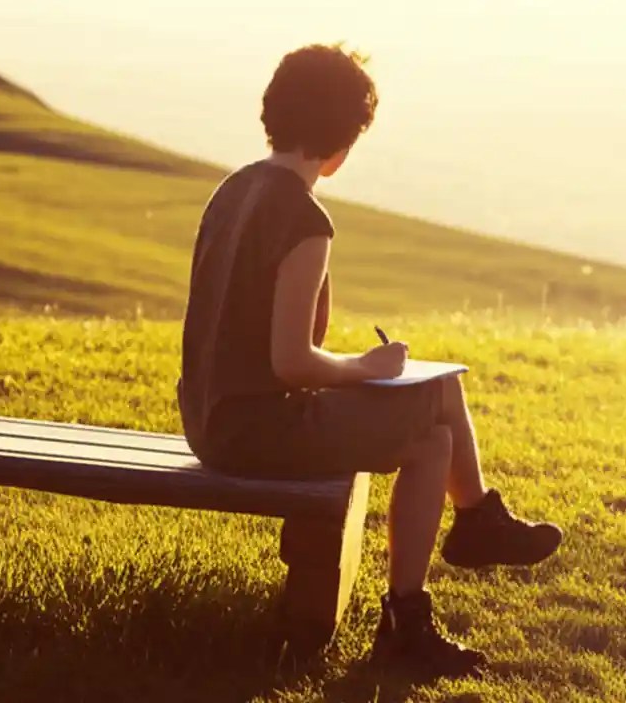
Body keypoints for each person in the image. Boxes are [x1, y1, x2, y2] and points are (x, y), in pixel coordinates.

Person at [176, 44, 562, 678]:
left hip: (206, 416)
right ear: (344, 144)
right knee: (438, 393)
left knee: (434, 442)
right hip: (252, 430)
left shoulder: (233, 189)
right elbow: (291, 362)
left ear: (274, 111)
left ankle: (415, 610)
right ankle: (474, 526)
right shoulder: (305, 220)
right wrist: (365, 367)